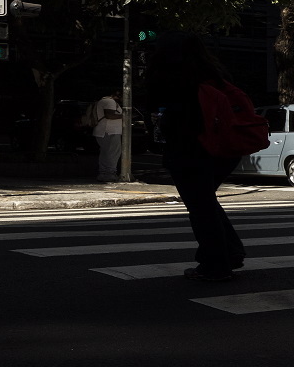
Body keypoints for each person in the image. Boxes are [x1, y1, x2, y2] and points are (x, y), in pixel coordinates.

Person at [145, 34, 250, 281]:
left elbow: (156, 107)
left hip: (189, 149)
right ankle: (229, 254)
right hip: (224, 148)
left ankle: (217, 265)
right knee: (205, 202)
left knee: (200, 207)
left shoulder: (170, 75)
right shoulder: (215, 73)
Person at [88, 90, 123, 183]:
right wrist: (125, 115)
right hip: (109, 131)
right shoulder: (110, 101)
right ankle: (110, 174)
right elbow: (109, 115)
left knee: (106, 152)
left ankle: (104, 173)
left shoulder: (103, 101)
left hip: (103, 131)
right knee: (113, 152)